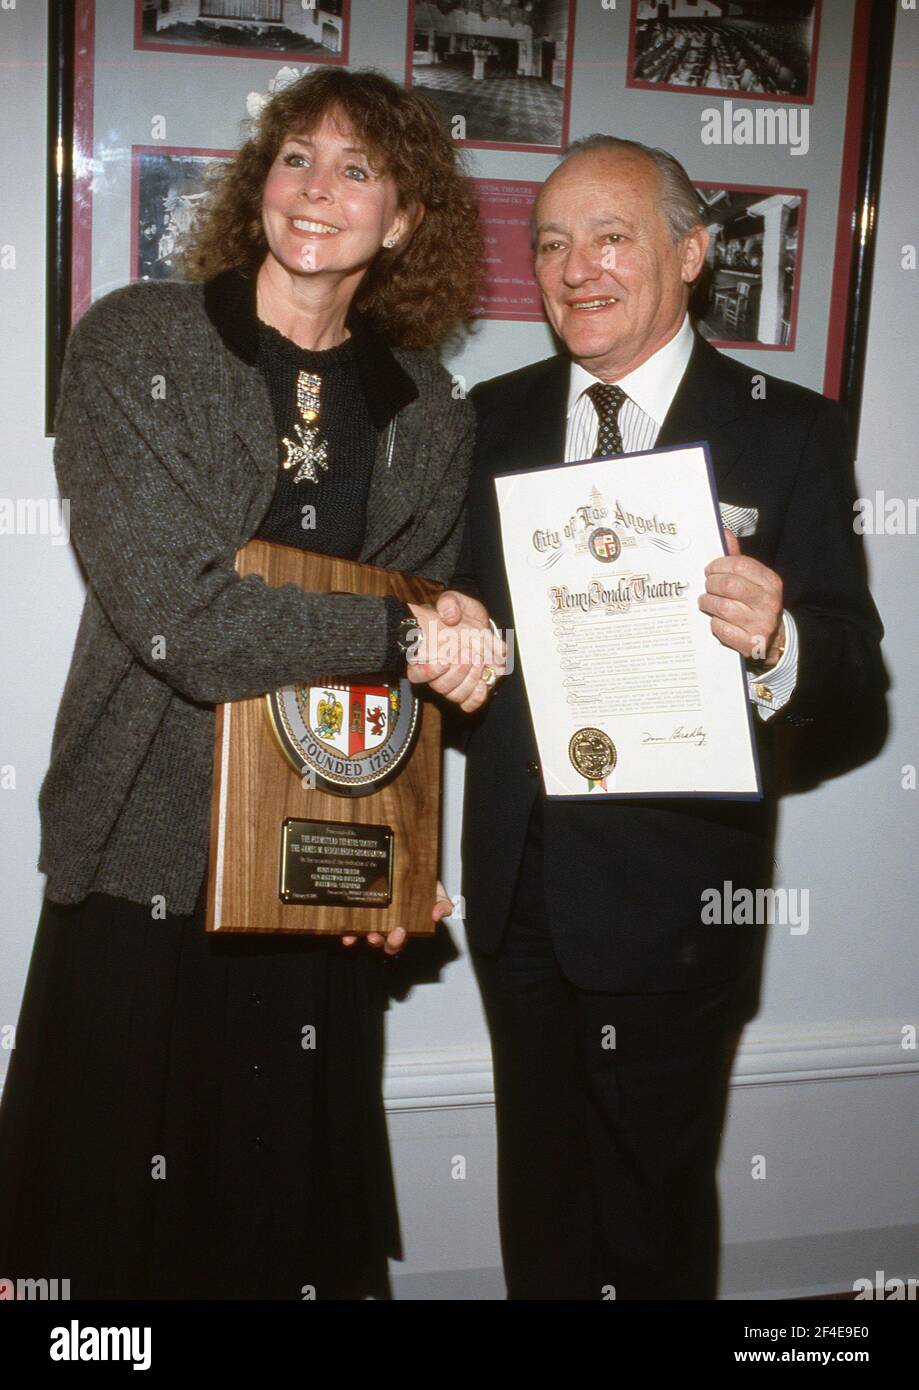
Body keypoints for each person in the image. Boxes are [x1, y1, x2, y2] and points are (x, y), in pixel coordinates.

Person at [0, 68, 502, 1301]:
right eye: (293, 156)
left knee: (277, 1236)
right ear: (256, 182)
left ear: (403, 220)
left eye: (355, 168)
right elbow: (182, 617)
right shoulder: (135, 340)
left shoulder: (431, 411)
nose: (313, 189)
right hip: (141, 849)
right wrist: (409, 632)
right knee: (99, 1247)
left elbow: (403, 697)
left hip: (317, 857)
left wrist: (396, 852)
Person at [423, 135, 885, 1299]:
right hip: (520, 888)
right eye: (552, 244)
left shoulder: (790, 429)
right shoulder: (486, 419)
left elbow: (857, 692)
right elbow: (440, 639)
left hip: (680, 907)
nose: (577, 268)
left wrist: (779, 642)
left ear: (690, 250)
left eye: (611, 236)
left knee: (650, 1214)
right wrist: (449, 644)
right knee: (541, 1200)